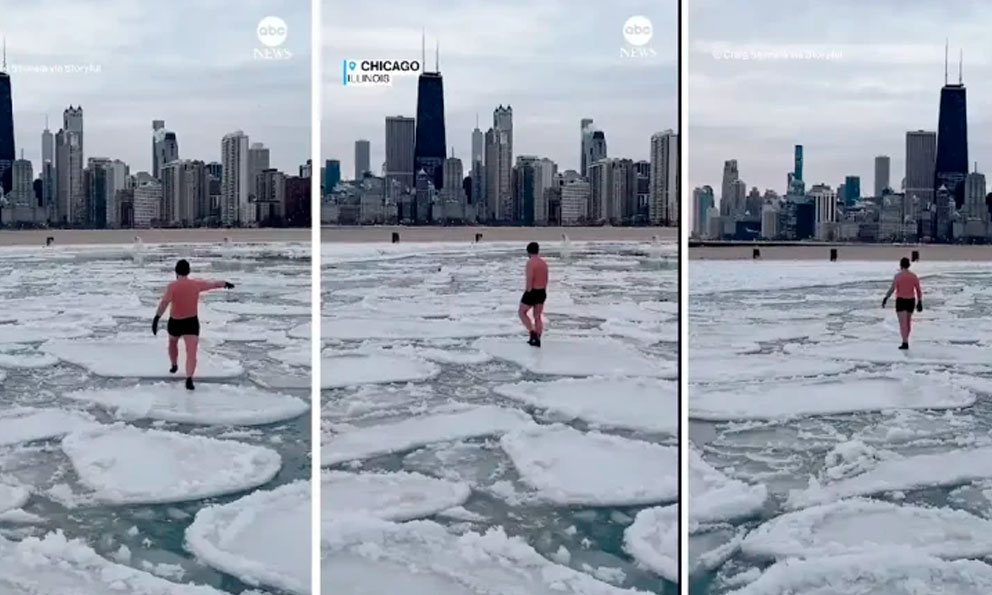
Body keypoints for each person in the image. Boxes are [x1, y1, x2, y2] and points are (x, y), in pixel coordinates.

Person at [152, 259, 234, 390]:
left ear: (176, 271)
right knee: (191, 352)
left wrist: (156, 318)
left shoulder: (172, 286)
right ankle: (189, 378)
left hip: (175, 322)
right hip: (191, 322)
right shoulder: (195, 284)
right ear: (188, 271)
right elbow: (212, 284)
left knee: (172, 343)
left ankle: (174, 365)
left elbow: (164, 304)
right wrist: (225, 284)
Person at [882, 256, 923, 350]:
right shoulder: (913, 276)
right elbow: (918, 290)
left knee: (902, 323)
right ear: (908, 265)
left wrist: (886, 298)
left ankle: (905, 342)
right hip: (910, 301)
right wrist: (919, 301)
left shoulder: (898, 276)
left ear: (901, 265)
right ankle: (906, 339)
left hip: (901, 301)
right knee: (908, 322)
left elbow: (892, 289)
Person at [518, 242, 548, 347]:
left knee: (522, 312)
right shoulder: (543, 263)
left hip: (533, 291)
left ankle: (532, 332)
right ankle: (538, 337)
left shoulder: (530, 263)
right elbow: (546, 279)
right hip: (542, 291)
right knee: (537, 316)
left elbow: (530, 278)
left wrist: (527, 291)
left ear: (528, 251)